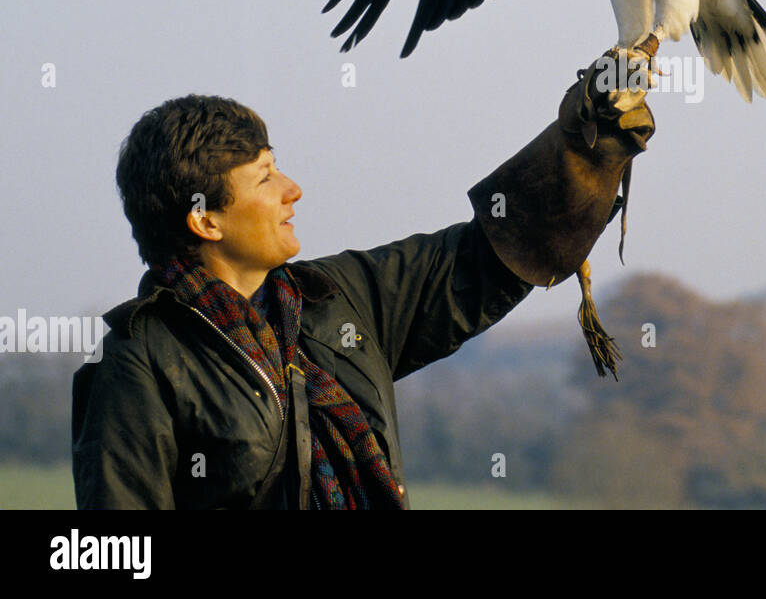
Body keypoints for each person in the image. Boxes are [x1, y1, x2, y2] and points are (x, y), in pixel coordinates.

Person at [71, 55, 654, 508]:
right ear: (206, 218)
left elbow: (481, 259)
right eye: (265, 176)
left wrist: (589, 142)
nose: (292, 189)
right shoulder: (138, 362)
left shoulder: (337, 298)